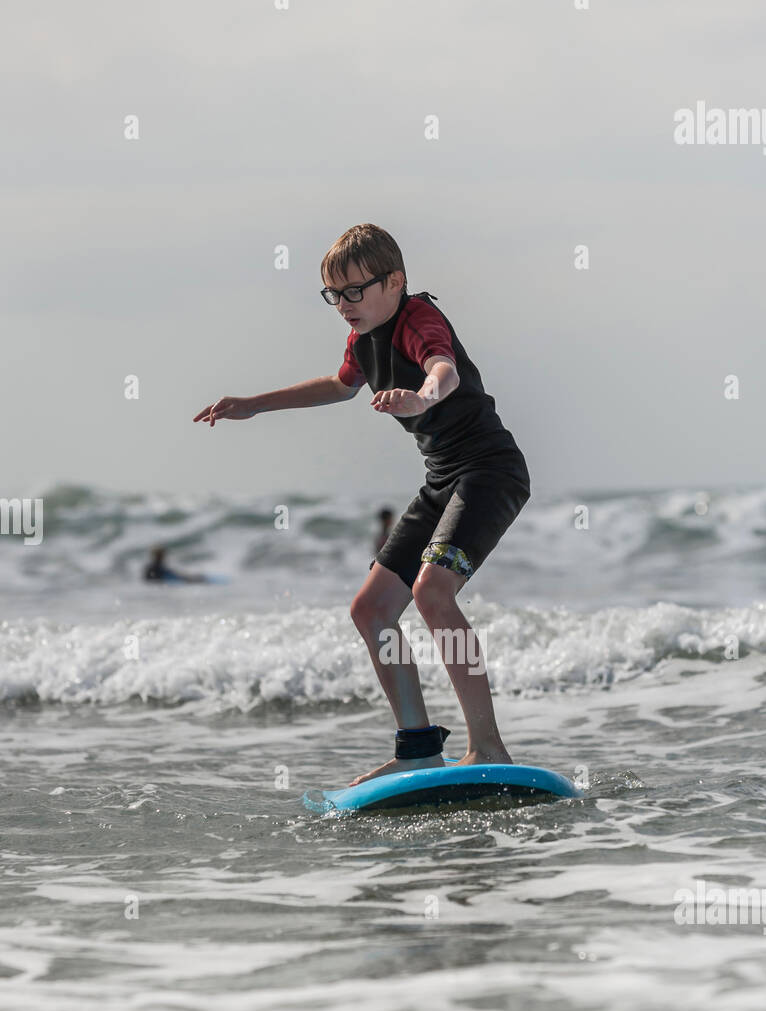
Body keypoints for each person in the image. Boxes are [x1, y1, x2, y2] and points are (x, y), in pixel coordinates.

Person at [194, 222, 531, 785]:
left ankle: (488, 746)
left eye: (355, 291)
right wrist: (254, 404)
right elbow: (338, 385)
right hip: (442, 479)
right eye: (334, 294)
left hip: (489, 471)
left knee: (433, 592)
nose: (344, 304)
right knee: (371, 610)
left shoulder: (417, 319)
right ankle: (420, 747)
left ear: (394, 281)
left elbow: (441, 369)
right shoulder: (363, 336)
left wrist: (420, 397)